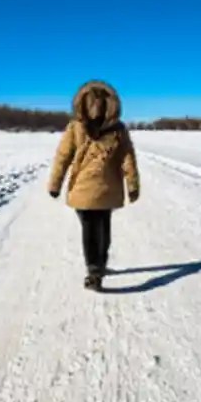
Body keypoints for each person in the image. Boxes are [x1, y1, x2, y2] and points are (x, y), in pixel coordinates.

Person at [47, 80, 141, 290]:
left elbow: (63, 157)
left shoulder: (76, 127)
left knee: (90, 227)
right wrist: (133, 185)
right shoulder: (118, 129)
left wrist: (55, 184)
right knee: (102, 225)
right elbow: (128, 159)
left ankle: (94, 269)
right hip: (108, 189)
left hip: (82, 189)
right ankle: (100, 265)